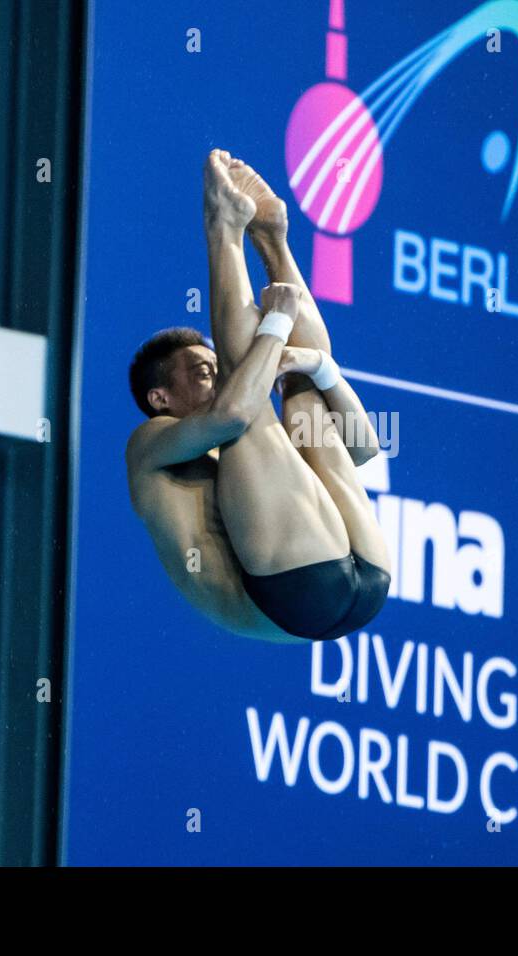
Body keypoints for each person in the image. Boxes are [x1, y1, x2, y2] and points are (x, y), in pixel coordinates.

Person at [125, 149, 391, 643]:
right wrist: (276, 323)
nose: (212, 369)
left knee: (301, 388)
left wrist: (321, 368)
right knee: (246, 402)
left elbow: (361, 449)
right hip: (290, 593)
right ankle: (223, 229)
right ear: (160, 398)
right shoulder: (149, 443)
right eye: (196, 370)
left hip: (365, 580)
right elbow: (230, 413)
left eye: (212, 363)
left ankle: (271, 240)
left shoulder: (254, 469)